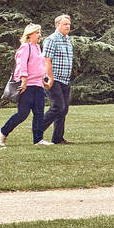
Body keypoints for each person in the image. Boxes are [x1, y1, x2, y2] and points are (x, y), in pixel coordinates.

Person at [0, 24, 52, 146]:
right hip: (26, 85)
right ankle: (3, 131)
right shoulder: (25, 48)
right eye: (37, 33)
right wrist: (23, 81)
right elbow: (21, 65)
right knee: (23, 113)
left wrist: (44, 79)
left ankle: (38, 140)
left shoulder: (38, 47)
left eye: (40, 32)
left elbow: (40, 65)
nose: (40, 35)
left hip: (38, 85)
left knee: (39, 113)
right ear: (30, 35)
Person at [40, 14, 74, 144]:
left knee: (64, 109)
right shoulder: (52, 39)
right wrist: (50, 78)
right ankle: (38, 129)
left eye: (69, 24)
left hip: (65, 79)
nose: (68, 26)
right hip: (54, 79)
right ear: (57, 25)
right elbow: (46, 60)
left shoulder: (67, 40)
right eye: (65, 24)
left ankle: (58, 138)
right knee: (58, 106)